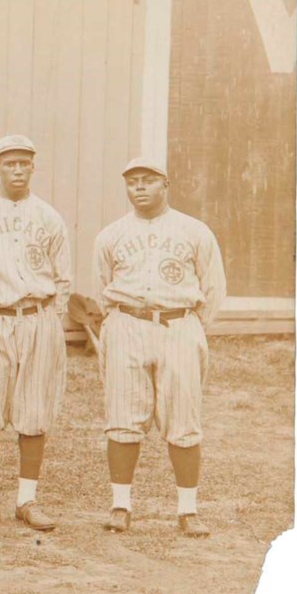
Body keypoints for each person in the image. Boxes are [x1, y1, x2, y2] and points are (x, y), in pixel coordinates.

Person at [94, 155, 226, 538]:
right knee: (122, 418)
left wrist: (191, 327)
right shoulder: (111, 234)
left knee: (183, 421)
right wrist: (119, 321)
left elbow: (213, 287)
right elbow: (103, 284)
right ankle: (121, 505)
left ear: (165, 184)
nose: (139, 187)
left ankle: (188, 510)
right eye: (132, 180)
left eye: (147, 180)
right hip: (127, 322)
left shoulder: (194, 230)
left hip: (178, 324)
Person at [0, 135, 70, 532]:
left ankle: (27, 499)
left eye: (24, 163)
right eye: (10, 164)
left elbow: (63, 277)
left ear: (33, 167)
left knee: (33, 412)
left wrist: (51, 321)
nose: (17, 170)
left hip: (37, 316)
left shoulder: (49, 216)